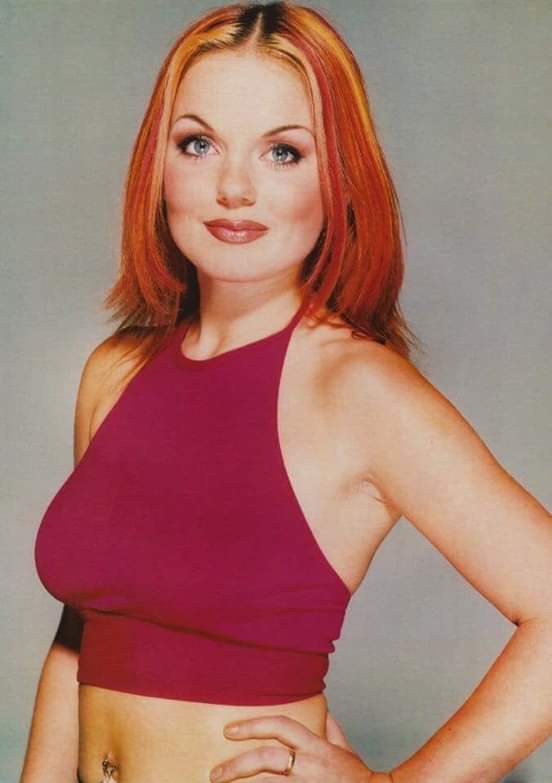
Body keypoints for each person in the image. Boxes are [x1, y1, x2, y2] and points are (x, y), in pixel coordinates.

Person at [22, 2, 551, 783]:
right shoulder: (114, 372)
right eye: (198, 143)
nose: (234, 187)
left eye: (283, 152)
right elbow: (84, 630)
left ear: (340, 179)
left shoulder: (359, 390)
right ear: (157, 164)